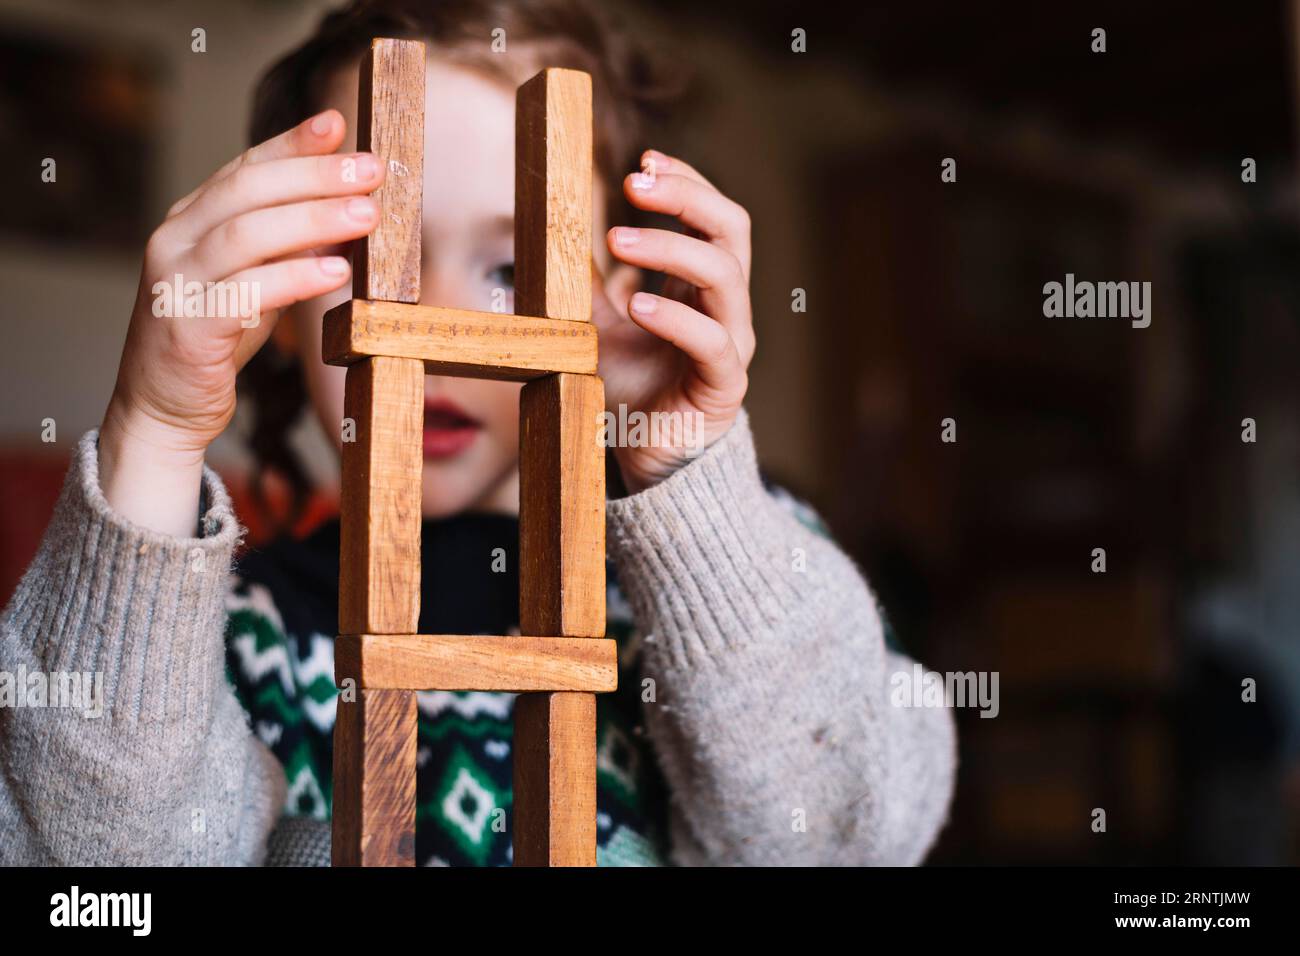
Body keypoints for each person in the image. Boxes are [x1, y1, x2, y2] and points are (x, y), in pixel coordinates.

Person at [0, 0, 955, 866]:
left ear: (624, 301)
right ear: (280, 311)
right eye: (373, 259)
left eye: (511, 268)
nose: (440, 325)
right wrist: (157, 434)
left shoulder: (724, 568)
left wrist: (685, 473)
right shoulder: (234, 640)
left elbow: (850, 838)